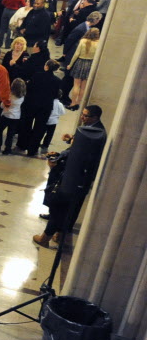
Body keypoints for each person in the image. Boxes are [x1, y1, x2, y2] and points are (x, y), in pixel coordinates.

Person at [34, 105, 106, 248]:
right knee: (68, 208)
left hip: (73, 178)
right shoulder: (93, 131)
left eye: (85, 116)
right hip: (78, 178)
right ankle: (60, 233)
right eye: (82, 114)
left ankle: (45, 238)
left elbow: (79, 153)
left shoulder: (94, 133)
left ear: (95, 118)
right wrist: (71, 140)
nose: (82, 117)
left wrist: (59, 158)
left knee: (59, 207)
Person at [18, 58, 61, 157]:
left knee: (26, 124)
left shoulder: (37, 75)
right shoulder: (57, 81)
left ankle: (22, 145)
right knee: (39, 128)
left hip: (31, 103)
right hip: (45, 107)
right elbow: (55, 94)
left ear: (46, 66)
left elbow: (29, 88)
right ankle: (32, 150)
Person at [67, 27, 99, 110]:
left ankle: (73, 103)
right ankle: (78, 103)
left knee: (76, 85)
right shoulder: (98, 43)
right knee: (83, 87)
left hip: (80, 62)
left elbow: (76, 54)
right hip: (89, 64)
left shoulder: (83, 41)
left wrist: (70, 64)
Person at [0, 78, 26, 154]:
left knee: (0, 131)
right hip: (16, 117)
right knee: (10, 134)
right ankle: (7, 149)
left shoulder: (9, 95)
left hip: (6, 115)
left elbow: (2, 105)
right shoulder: (22, 97)